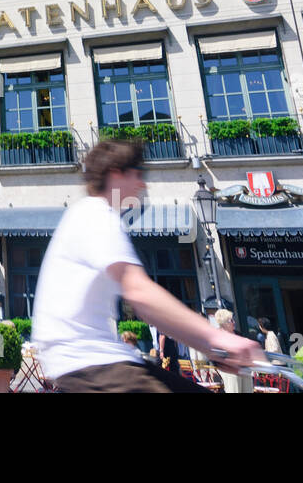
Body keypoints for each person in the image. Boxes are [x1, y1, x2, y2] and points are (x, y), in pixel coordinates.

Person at [32, 140, 262, 393]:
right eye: (138, 174)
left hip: (84, 366)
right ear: (116, 174)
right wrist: (217, 338)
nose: (143, 184)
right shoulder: (96, 217)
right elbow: (140, 293)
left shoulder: (82, 215)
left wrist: (214, 349)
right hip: (93, 365)